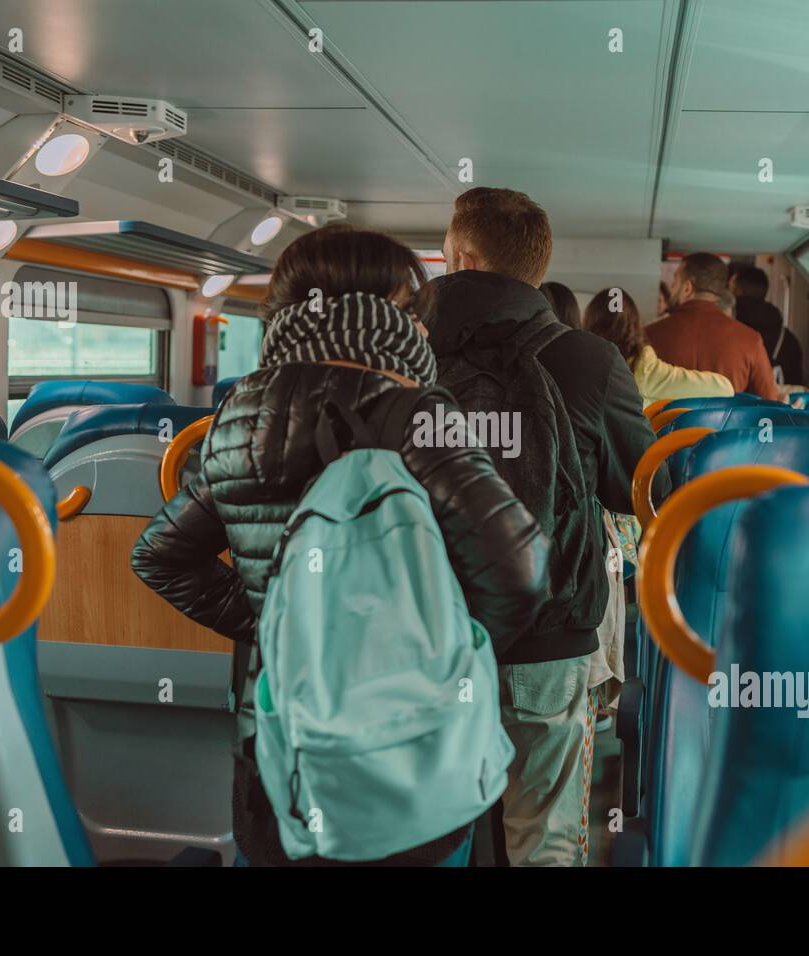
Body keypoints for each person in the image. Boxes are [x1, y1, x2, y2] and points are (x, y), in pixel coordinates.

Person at [130, 224, 549, 867]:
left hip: (281, 743)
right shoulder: (417, 413)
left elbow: (159, 555)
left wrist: (281, 628)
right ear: (396, 316)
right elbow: (518, 570)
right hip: (405, 745)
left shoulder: (239, 413)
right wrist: (439, 649)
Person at [426, 186, 669, 867]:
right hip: (550, 632)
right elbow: (643, 487)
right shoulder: (591, 361)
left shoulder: (406, 355)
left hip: (429, 633)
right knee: (545, 836)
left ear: (463, 257)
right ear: (537, 269)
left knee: (430, 831)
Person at [648, 252, 780, 401]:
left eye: (675, 279)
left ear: (687, 288)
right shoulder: (751, 341)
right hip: (727, 425)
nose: (671, 286)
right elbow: (770, 403)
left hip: (662, 424)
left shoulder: (649, 336)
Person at [583, 287, 733, 405]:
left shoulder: (580, 363)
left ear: (589, 322)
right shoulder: (645, 370)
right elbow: (723, 388)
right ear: (634, 325)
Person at [730, 264, 805, 387]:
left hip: (733, 403)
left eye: (730, 287)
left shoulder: (726, 329)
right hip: (772, 404)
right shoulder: (788, 339)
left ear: (738, 290)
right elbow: (794, 383)